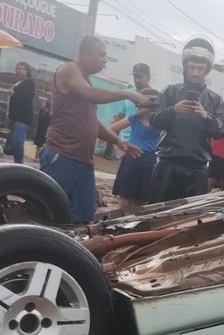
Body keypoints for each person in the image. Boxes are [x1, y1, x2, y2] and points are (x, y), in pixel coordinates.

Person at [40, 36, 151, 222]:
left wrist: (117, 141)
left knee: (84, 218)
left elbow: (92, 122)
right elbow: (88, 95)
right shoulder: (69, 70)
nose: (104, 60)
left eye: (105, 55)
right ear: (85, 54)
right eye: (101, 55)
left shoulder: (86, 80)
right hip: (62, 156)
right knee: (48, 211)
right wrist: (128, 94)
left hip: (84, 162)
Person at [148, 37, 224, 204]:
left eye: (200, 69)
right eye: (192, 68)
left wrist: (206, 116)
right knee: (157, 213)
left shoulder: (214, 99)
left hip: (197, 168)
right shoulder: (170, 91)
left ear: (207, 71)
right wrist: (173, 110)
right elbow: (153, 119)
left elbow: (222, 131)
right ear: (185, 67)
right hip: (168, 164)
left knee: (189, 219)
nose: (195, 73)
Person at [109, 88, 163, 210]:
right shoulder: (134, 119)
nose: (139, 105)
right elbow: (111, 129)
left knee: (141, 203)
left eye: (143, 102)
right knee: (125, 201)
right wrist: (120, 147)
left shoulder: (161, 124)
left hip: (150, 162)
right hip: (131, 160)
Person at [6, 61, 36, 164]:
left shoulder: (29, 83)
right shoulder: (17, 83)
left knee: (18, 142)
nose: (21, 71)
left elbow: (28, 98)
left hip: (23, 118)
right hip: (15, 117)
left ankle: (19, 164)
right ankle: (17, 162)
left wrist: (14, 94)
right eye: (19, 69)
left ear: (27, 71)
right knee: (14, 143)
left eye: (23, 69)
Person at [33, 96, 50, 161]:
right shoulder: (43, 111)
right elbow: (38, 120)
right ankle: (37, 156)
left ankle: (39, 157)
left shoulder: (48, 112)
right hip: (42, 129)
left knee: (41, 144)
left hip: (44, 129)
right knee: (39, 144)